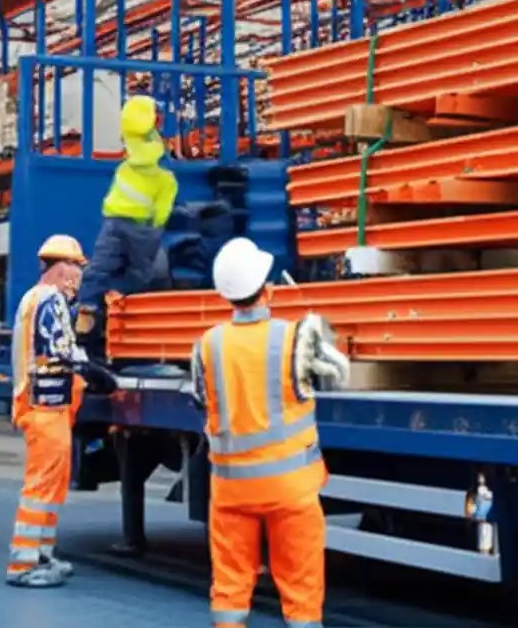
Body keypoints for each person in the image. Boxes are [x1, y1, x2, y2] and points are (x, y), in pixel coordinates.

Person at [186, 237, 351, 628]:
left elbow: (200, 399)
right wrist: (321, 332)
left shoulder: (207, 344)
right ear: (268, 289)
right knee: (301, 588)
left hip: (231, 490)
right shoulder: (294, 337)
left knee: (229, 585)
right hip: (290, 488)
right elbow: (340, 373)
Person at [6, 234, 90, 588]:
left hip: (45, 406)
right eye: (77, 267)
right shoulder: (49, 300)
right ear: (62, 268)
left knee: (53, 485)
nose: (79, 276)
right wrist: (93, 369)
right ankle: (22, 564)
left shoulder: (33, 298)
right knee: (41, 486)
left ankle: (42, 554)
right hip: (46, 406)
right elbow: (59, 350)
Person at [75, 95, 179, 336]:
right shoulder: (163, 173)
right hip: (143, 227)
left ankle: (88, 308)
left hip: (116, 220)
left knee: (100, 266)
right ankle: (115, 297)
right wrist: (156, 226)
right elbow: (163, 208)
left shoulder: (129, 160)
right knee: (141, 275)